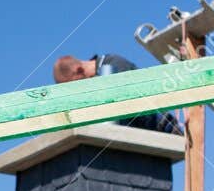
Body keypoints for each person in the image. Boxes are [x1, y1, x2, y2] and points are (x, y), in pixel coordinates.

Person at [52, 52, 182, 134]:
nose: (77, 91)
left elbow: (134, 109)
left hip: (163, 128)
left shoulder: (114, 65)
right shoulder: (97, 79)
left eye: (74, 85)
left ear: (79, 70)